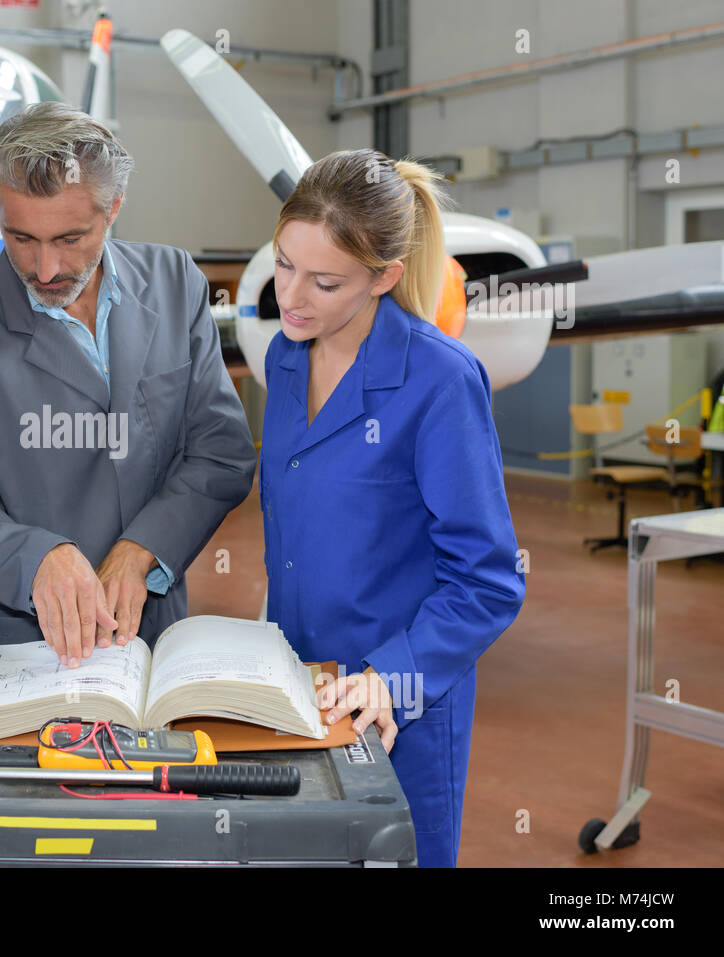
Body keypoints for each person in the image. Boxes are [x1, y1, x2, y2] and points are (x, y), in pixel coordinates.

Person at [0, 102, 256, 663]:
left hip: (154, 632)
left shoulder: (175, 283)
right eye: (21, 238)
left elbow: (220, 452)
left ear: (114, 207)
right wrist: (37, 558)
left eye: (70, 239)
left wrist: (144, 548)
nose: (45, 269)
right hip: (21, 650)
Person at [259, 148, 525, 867]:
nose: (292, 296)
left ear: (384, 278)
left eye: (325, 281)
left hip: (398, 707)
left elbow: (488, 580)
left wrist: (390, 675)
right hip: (299, 698)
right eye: (284, 264)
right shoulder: (285, 359)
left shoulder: (439, 381)